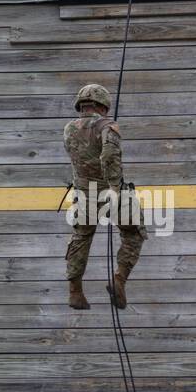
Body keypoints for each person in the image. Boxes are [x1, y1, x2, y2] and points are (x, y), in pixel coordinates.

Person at [63, 84, 147, 310]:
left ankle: (75, 292)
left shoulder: (69, 128)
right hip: (110, 191)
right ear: (102, 105)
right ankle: (118, 279)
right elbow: (110, 156)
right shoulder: (108, 126)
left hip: (83, 193)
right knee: (133, 232)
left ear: (81, 104)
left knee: (81, 238)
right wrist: (116, 189)